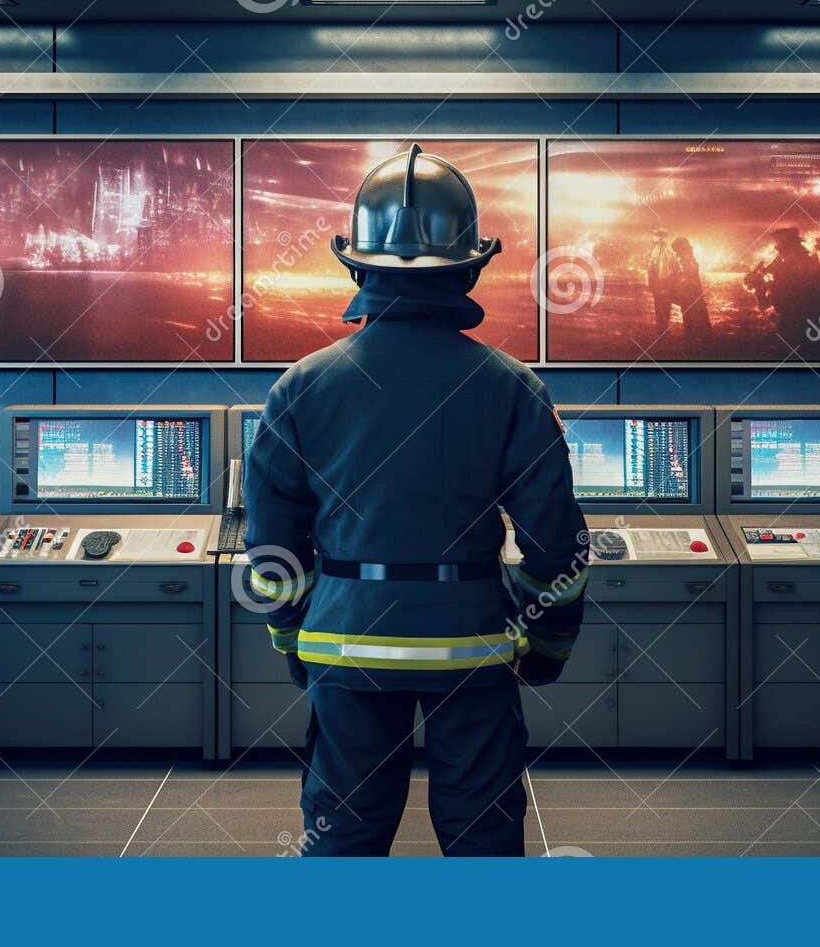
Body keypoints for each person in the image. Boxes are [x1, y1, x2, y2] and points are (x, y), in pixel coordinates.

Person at [243, 145, 589, 857]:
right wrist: (544, 646)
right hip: (474, 646)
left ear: (356, 266)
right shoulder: (512, 387)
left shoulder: (299, 387)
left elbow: (272, 544)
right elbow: (558, 546)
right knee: (482, 841)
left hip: (346, 643)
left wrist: (296, 639)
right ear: (471, 265)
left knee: (344, 840)